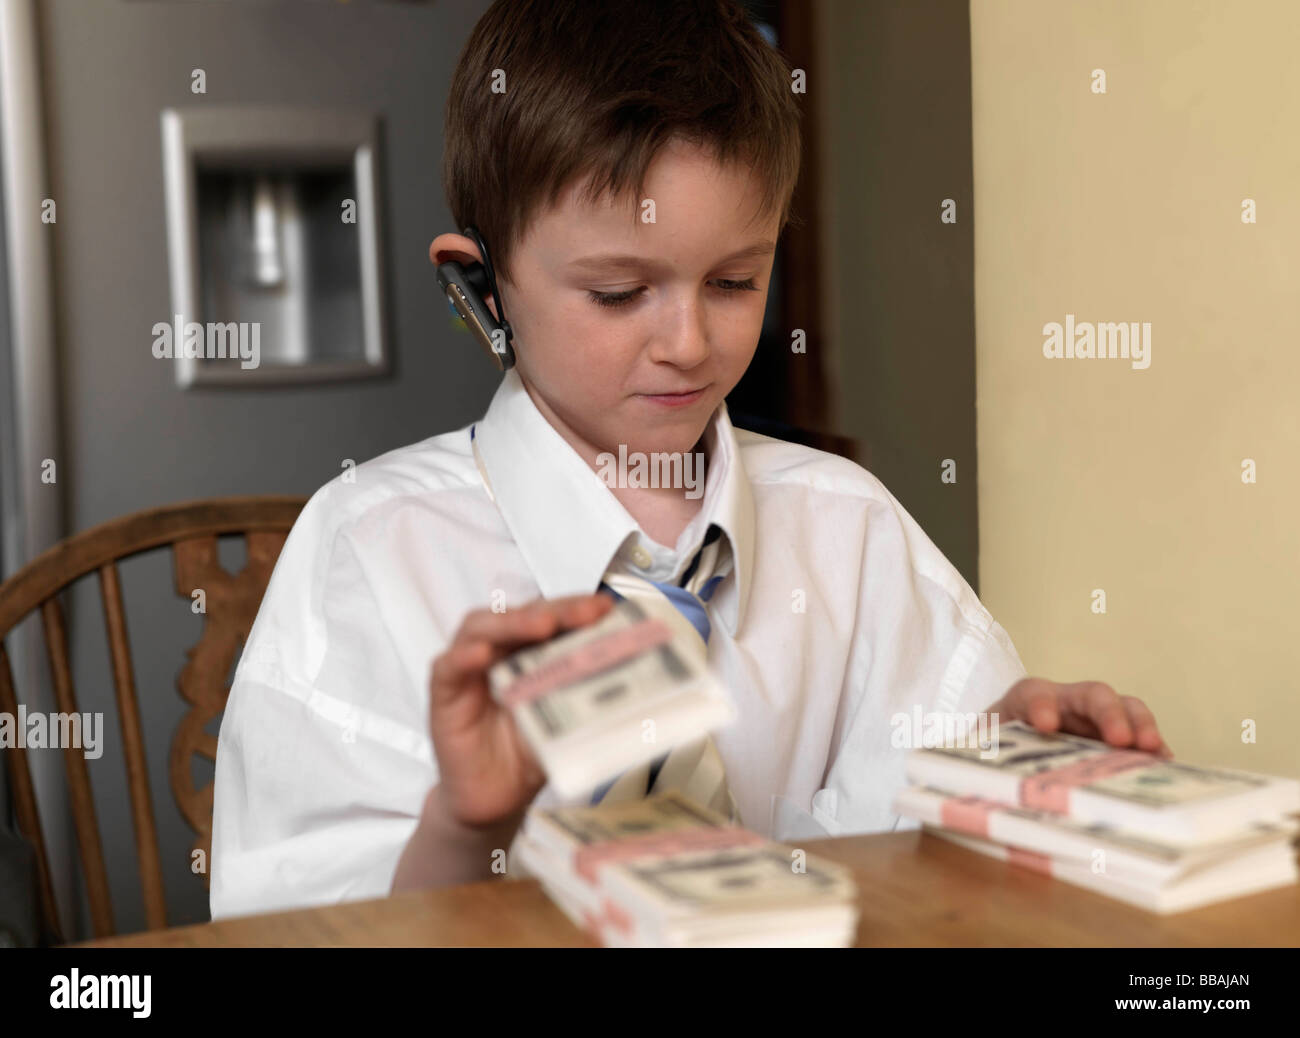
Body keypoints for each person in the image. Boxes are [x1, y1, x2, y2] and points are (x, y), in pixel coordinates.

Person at [210, 0, 1169, 920]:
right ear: (480, 284)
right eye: (620, 292)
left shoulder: (850, 527)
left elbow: (920, 846)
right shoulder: (369, 554)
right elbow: (302, 930)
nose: (688, 341)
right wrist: (470, 828)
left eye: (734, 281)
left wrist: (1007, 762)